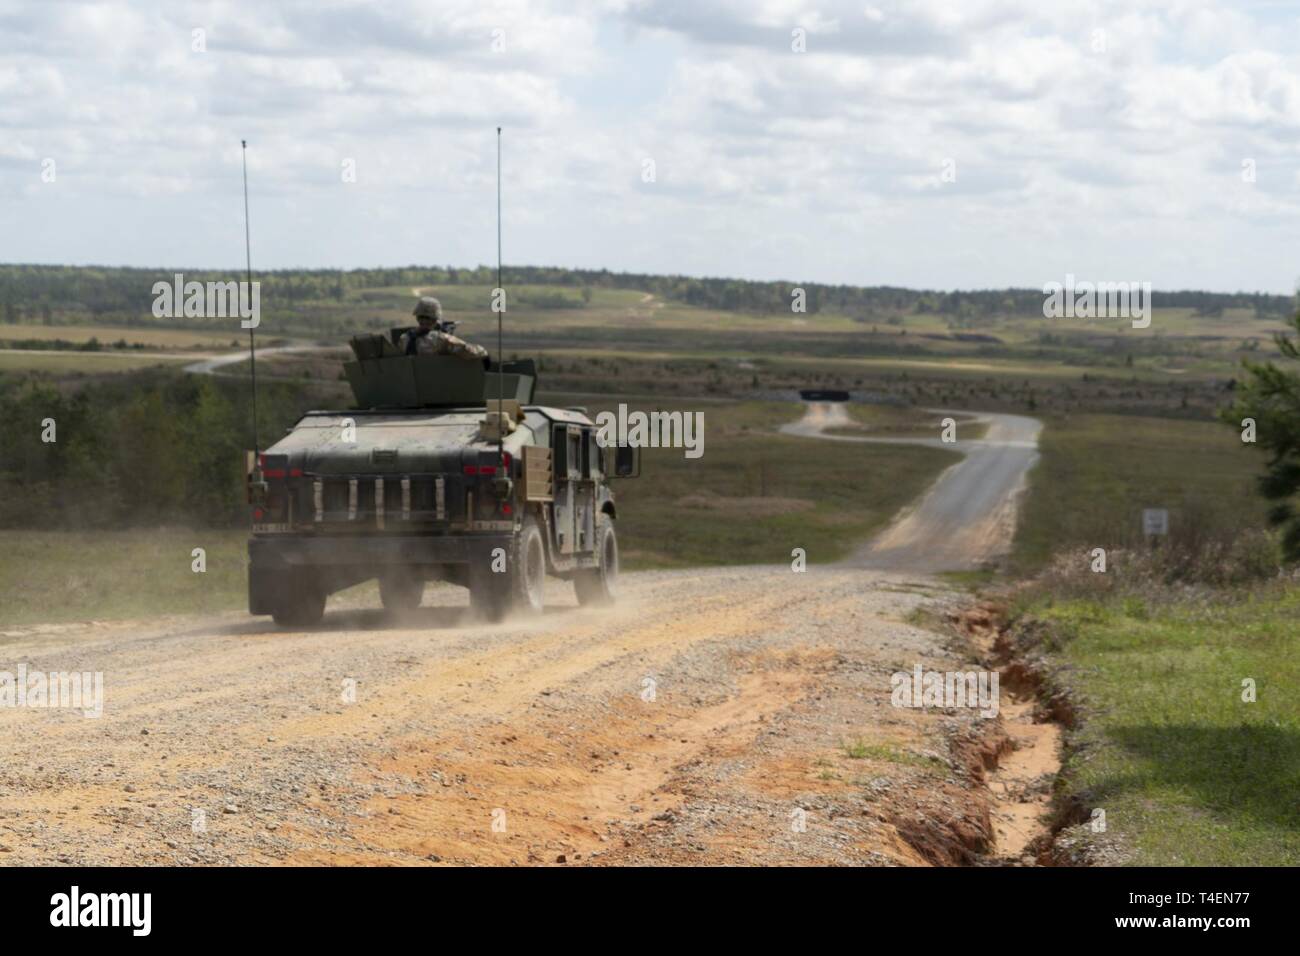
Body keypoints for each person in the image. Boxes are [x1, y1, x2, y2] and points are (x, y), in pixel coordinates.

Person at [400, 297, 488, 359]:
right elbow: (469, 352)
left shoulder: (404, 338)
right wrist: (483, 352)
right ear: (435, 318)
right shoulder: (441, 339)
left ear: (417, 317)